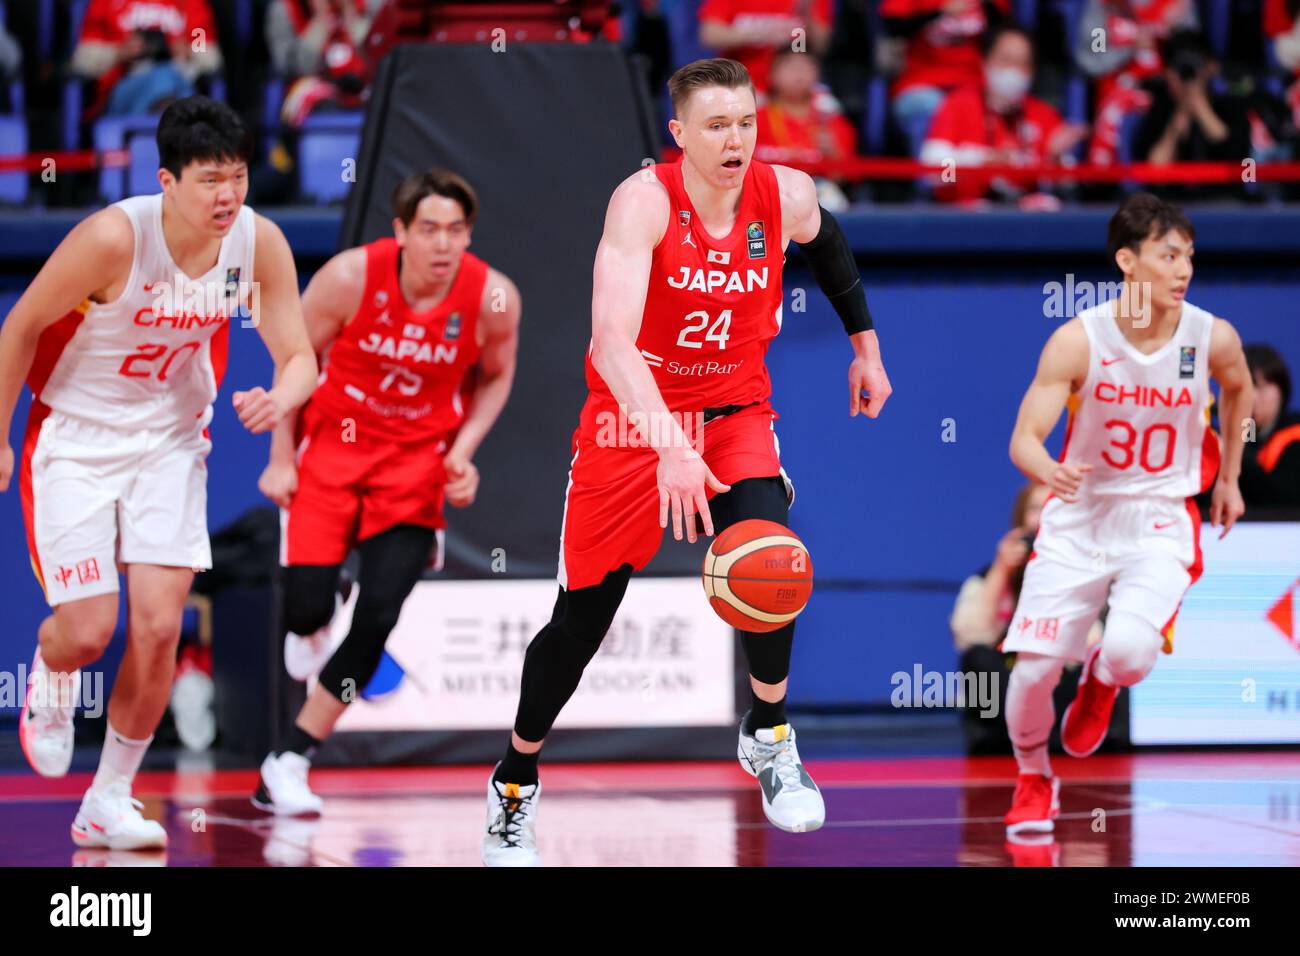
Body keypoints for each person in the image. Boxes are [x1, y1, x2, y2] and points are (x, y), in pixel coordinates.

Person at [479, 57, 893, 867]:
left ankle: (769, 735)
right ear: (679, 134)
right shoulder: (643, 203)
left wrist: (865, 346)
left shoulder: (788, 194)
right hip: (631, 425)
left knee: (771, 560)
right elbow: (611, 342)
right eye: (716, 126)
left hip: (737, 411)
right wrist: (669, 443)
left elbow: (830, 243)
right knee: (578, 627)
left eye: (745, 122)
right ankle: (514, 783)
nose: (735, 139)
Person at [0, 96, 317, 849]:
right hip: (76, 437)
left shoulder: (256, 242)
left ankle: (109, 795)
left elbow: (300, 353)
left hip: (172, 442)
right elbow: (18, 327)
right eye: (210, 180)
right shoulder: (113, 237)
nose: (227, 196)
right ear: (166, 179)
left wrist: (281, 397)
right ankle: (51, 667)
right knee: (87, 631)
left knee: (157, 628)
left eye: (237, 177)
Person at [250, 168, 522, 814]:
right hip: (332, 454)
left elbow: (498, 377)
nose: (442, 244)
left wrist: (462, 452)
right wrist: (280, 457)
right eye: (428, 228)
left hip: (414, 470)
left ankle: (290, 758)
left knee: (378, 618)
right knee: (305, 617)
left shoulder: (493, 298)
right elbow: (296, 361)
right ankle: (320, 605)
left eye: (456, 230)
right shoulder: (348, 278)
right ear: (401, 231)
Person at [1000, 191, 1252, 835]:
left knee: (1133, 651)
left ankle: (1103, 681)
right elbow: (1024, 438)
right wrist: (1045, 468)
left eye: (1188, 256)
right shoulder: (1077, 340)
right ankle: (1034, 775)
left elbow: (1240, 387)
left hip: (1161, 513)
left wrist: (1228, 477)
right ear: (1128, 262)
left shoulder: (1210, 335)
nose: (1183, 269)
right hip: (1080, 514)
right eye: (1168, 255)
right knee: (1030, 673)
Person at [920, 23, 1087, 206]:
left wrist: (1055, 159)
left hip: (1026, 220)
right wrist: (982, 161)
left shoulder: (1044, 114)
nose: (1013, 71)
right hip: (968, 216)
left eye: (1023, 64)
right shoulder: (958, 105)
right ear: (985, 62)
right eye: (1006, 60)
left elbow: (1068, 184)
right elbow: (935, 172)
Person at [881, 0, 1010, 157]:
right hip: (921, 85)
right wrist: (942, 11)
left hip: (973, 85)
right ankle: (937, 179)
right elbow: (893, 26)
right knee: (937, 111)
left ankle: (974, 179)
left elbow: (1007, 35)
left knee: (980, 112)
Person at [71, 0, 223, 117]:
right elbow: (83, 59)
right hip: (125, 85)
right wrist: (119, 52)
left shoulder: (189, 3)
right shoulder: (107, 3)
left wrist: (189, 51)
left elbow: (210, 56)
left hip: (178, 79)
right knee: (165, 80)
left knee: (169, 78)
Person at [755, 49, 861, 209]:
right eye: (790, 68)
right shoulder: (752, 120)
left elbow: (843, 178)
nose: (798, 74)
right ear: (771, 75)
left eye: (806, 68)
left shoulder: (832, 120)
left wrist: (832, 152)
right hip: (765, 192)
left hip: (817, 192)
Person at [698, 0, 831, 96]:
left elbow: (821, 46)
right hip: (740, 86)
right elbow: (710, 35)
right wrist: (762, 32)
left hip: (793, 92)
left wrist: (807, 13)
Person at [1239, 344, 1300, 509]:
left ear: (1281, 389)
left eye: (1260, 387)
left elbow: (1285, 497)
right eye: (1244, 388)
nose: (1252, 397)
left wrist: (1234, 456)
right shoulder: (1248, 428)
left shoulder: (1294, 434)